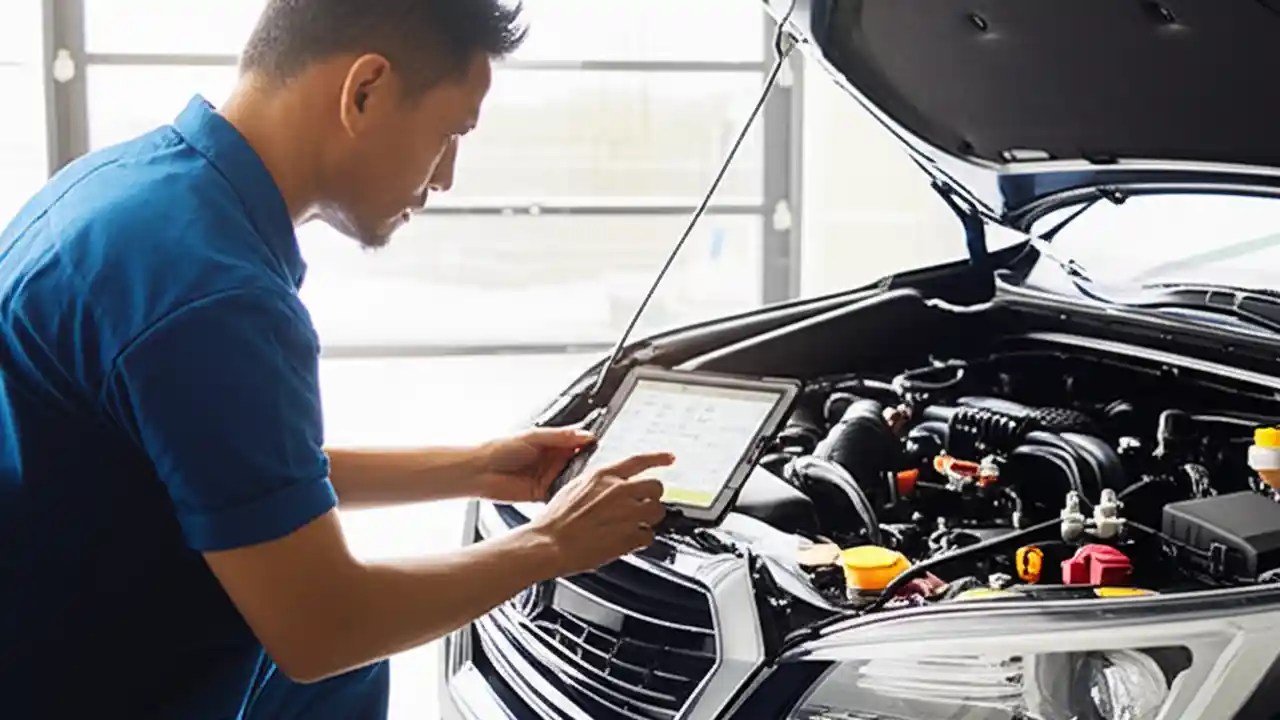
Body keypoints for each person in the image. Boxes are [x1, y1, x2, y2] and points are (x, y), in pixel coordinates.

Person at [0, 1, 674, 717]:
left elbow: (234, 468)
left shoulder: (127, 188)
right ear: (365, 91)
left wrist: (477, 467)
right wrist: (551, 546)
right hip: (87, 685)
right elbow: (323, 628)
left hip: (55, 625)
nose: (447, 176)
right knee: (341, 656)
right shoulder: (215, 297)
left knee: (345, 679)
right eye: (450, 133)